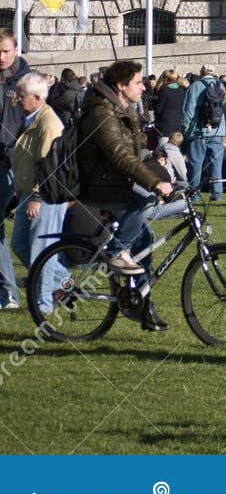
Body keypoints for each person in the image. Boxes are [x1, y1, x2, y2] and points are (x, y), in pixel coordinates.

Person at [78, 60, 178, 331]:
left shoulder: (123, 107)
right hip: (101, 185)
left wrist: (163, 175)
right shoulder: (101, 113)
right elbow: (121, 156)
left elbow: (136, 154)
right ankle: (115, 251)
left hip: (115, 180)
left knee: (145, 239)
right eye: (138, 82)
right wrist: (155, 184)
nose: (144, 87)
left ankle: (139, 302)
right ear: (121, 86)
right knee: (145, 199)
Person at [8, 73, 67, 316]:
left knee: (41, 249)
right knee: (20, 243)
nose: (17, 101)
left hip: (44, 195)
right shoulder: (32, 118)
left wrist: (37, 196)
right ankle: (63, 281)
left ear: (36, 97)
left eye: (21, 97)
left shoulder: (48, 122)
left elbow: (48, 164)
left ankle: (44, 305)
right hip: (26, 193)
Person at [180, 65, 226, 201]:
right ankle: (217, 193)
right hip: (217, 130)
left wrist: (185, 128)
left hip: (198, 130)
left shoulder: (195, 86)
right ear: (213, 73)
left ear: (201, 73)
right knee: (216, 163)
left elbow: (188, 109)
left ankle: (194, 193)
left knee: (196, 163)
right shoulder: (221, 86)